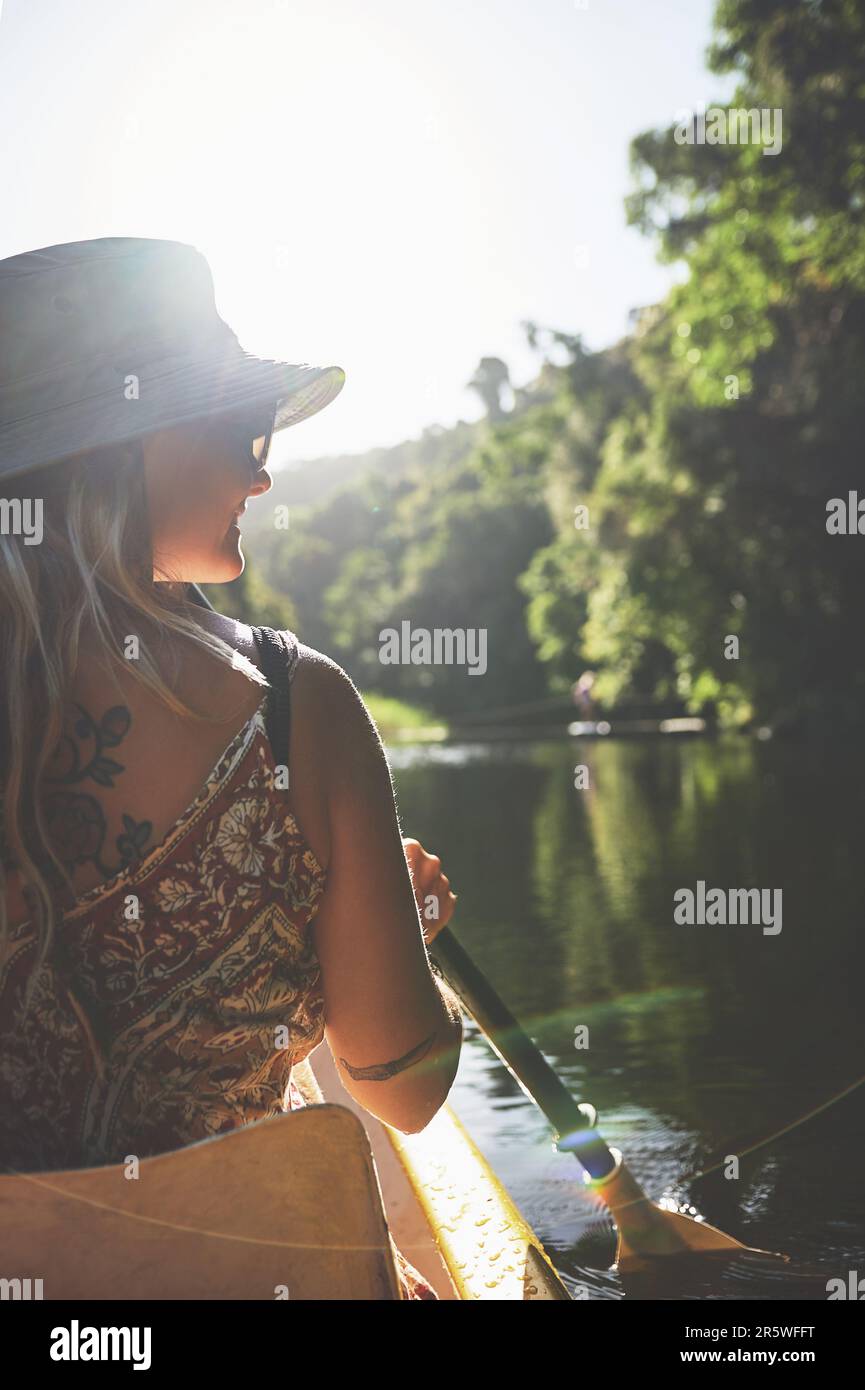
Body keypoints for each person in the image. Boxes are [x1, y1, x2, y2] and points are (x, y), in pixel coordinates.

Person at [0, 237, 462, 1300]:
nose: (262, 470)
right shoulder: (301, 711)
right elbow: (407, 1091)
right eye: (241, 430)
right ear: (132, 443)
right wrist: (404, 933)